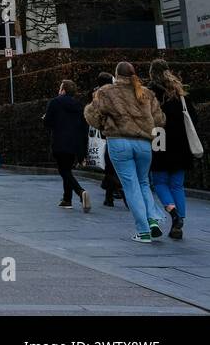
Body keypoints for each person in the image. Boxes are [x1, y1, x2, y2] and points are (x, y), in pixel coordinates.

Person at [84, 61, 166, 243]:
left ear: (116, 74)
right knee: (144, 182)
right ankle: (152, 220)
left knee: (130, 185)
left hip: (119, 141)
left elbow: (92, 116)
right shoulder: (147, 93)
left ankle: (143, 231)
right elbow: (160, 120)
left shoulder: (105, 92)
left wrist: (105, 124)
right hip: (144, 143)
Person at [149, 59, 200, 241]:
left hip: (160, 137)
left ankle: (173, 214)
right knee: (177, 184)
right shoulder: (180, 92)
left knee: (160, 181)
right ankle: (180, 221)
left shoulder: (151, 92)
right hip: (181, 141)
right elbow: (193, 117)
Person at [43, 79, 90, 210]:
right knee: (67, 169)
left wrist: (45, 118)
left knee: (63, 170)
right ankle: (67, 199)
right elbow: (83, 127)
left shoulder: (55, 102)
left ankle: (81, 192)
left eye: (60, 88)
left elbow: (47, 122)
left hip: (60, 141)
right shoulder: (79, 105)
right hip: (75, 143)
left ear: (63, 90)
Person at [95, 73, 125, 207]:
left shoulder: (99, 95)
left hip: (109, 135)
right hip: (123, 134)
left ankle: (118, 189)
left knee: (110, 166)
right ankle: (109, 197)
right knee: (113, 166)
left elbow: (95, 115)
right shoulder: (118, 94)